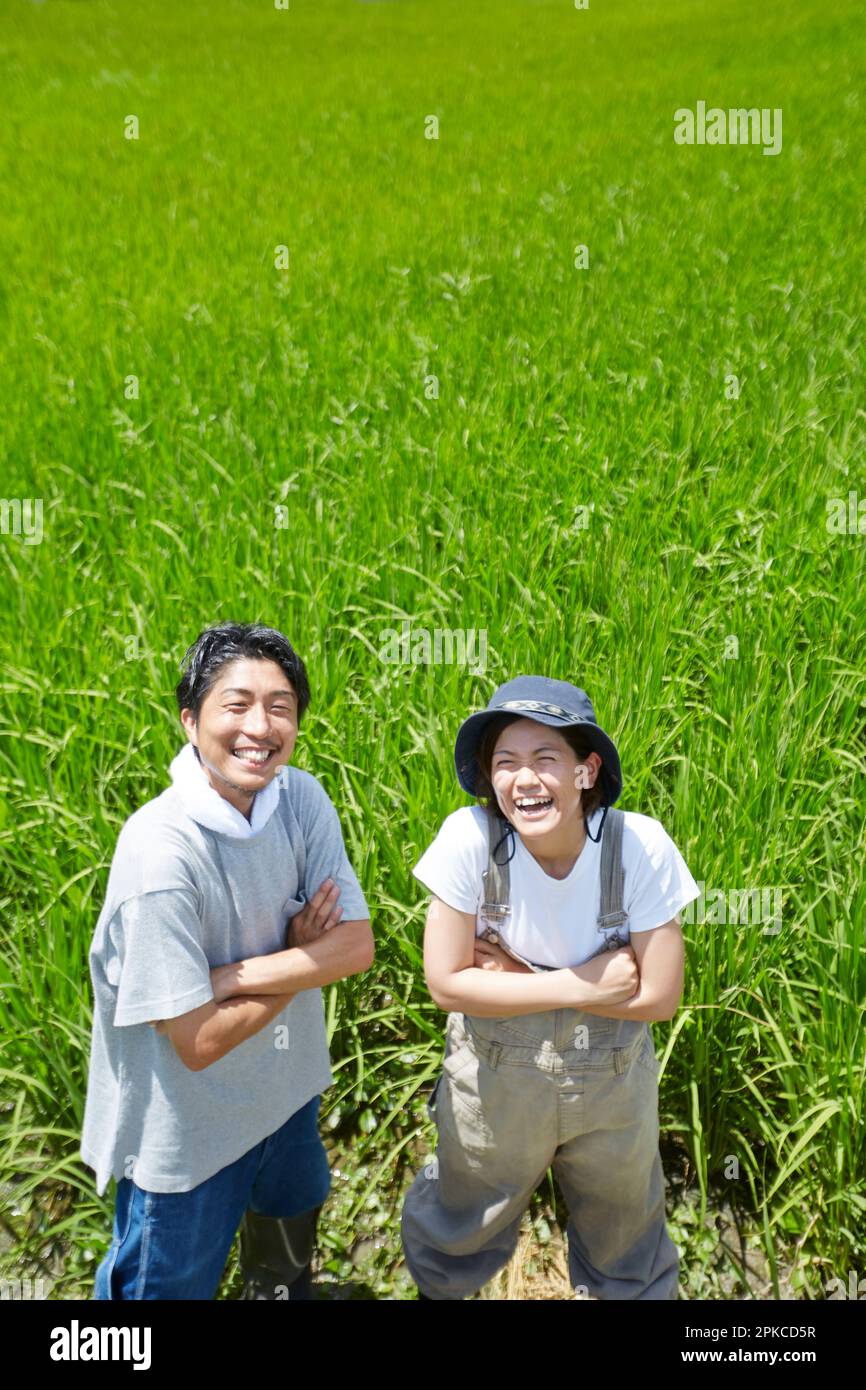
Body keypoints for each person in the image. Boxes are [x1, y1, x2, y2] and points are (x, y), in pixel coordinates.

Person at [81, 622, 374, 1300]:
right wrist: (303, 956)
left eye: (279, 707)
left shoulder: (300, 799)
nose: (260, 726)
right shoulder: (161, 856)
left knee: (284, 1261)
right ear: (190, 720)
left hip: (285, 1092)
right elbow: (199, 1041)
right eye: (235, 704)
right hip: (186, 1139)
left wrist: (235, 978)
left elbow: (355, 946)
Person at [401, 675, 700, 1300]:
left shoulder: (638, 846)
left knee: (626, 1238)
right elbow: (446, 984)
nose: (523, 779)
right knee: (461, 1223)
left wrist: (514, 977)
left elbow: (660, 996)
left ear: (587, 771)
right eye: (505, 762)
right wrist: (588, 981)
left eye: (546, 760)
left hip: (613, 1078)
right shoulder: (469, 839)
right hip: (494, 1075)